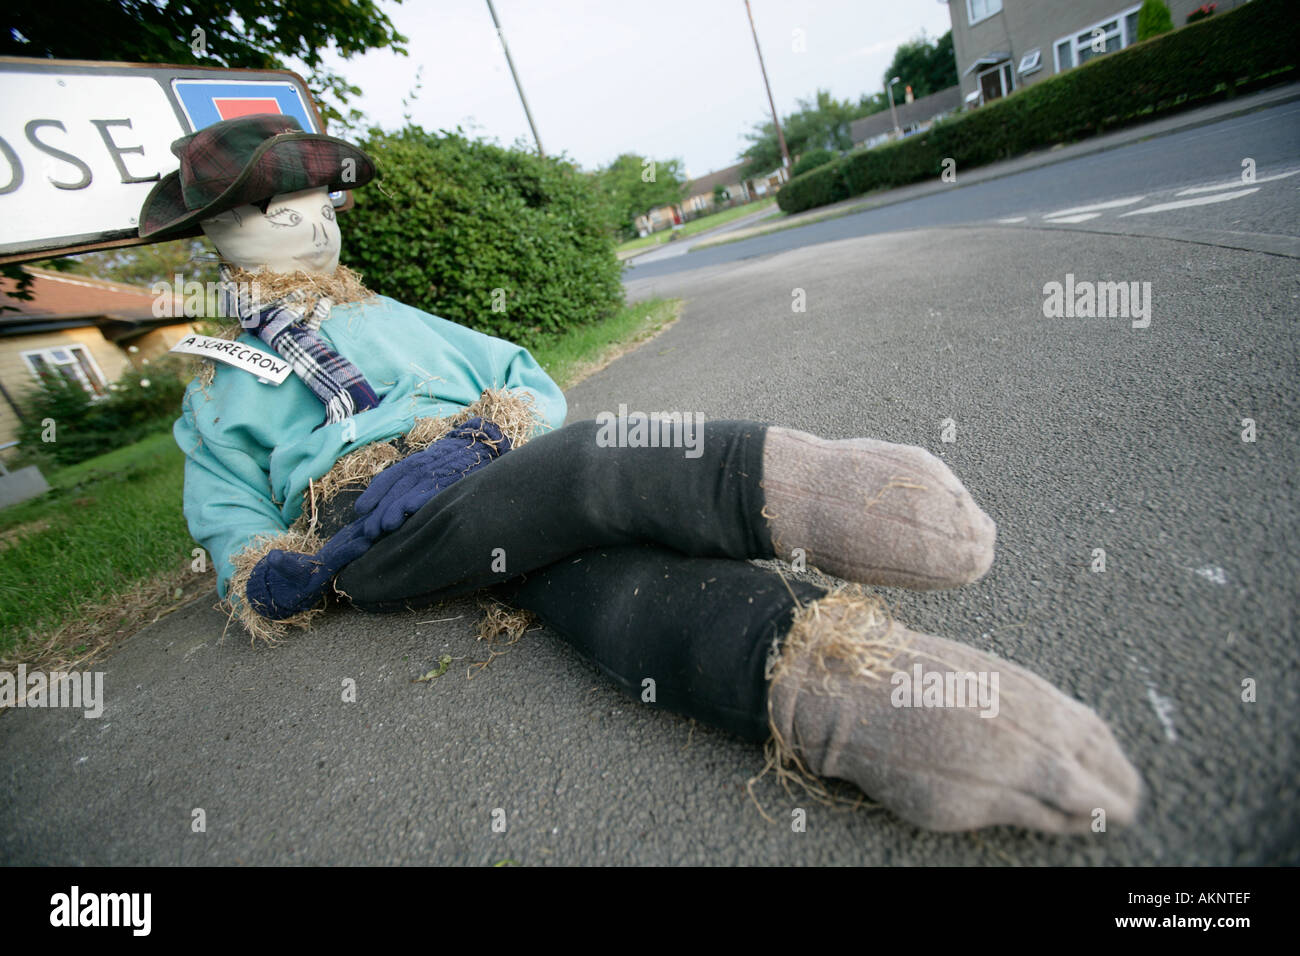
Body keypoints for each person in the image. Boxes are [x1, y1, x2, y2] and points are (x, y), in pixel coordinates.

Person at [141, 114, 1142, 834]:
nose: (311, 225)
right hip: (368, 525)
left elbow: (522, 378)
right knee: (592, 469)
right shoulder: (219, 383)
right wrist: (264, 568)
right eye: (277, 211)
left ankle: (859, 692)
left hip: (484, 465)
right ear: (216, 241)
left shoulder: (390, 314)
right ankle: (777, 482)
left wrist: (490, 429)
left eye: (318, 202)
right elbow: (224, 500)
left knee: (604, 584)